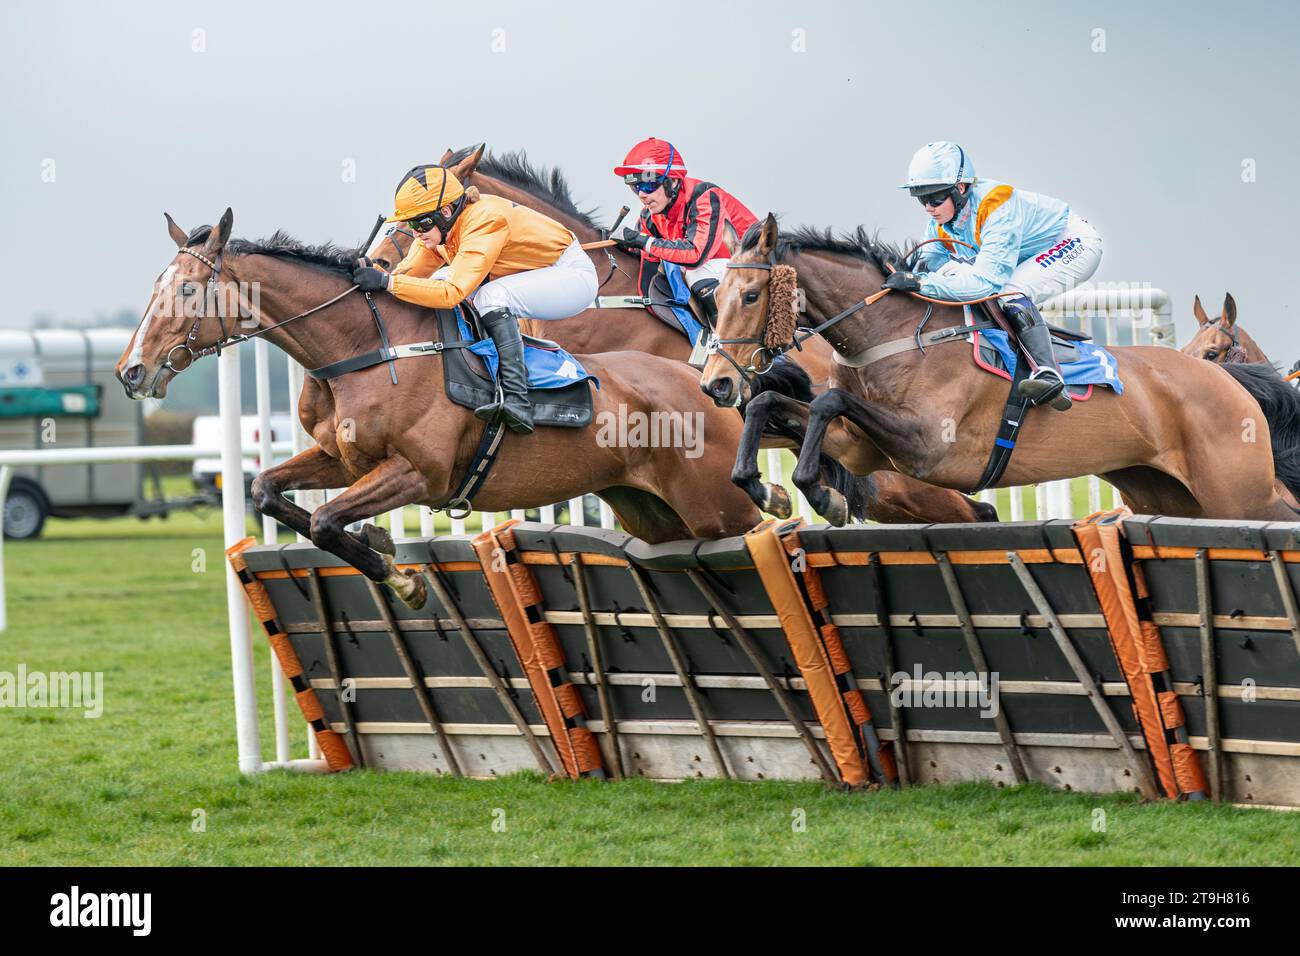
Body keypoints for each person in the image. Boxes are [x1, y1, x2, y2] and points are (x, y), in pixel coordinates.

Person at [352, 165, 598, 435]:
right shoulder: (440, 230)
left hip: (570, 276)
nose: (417, 232)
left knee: (490, 296)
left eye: (421, 222)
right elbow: (408, 277)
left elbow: (451, 294)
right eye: (411, 224)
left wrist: (388, 283)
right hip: (535, 273)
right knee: (438, 280)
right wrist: (376, 276)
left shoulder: (485, 219)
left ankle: (517, 399)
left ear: (445, 211)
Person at [884, 141, 1103, 410]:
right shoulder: (939, 223)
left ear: (960, 188)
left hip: (1074, 242)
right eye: (921, 198)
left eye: (935, 197)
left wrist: (921, 283)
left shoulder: (997, 205)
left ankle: (1048, 373)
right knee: (953, 273)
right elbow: (925, 265)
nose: (928, 207)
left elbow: (985, 284)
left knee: (1010, 292)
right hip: (1030, 252)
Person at [612, 137, 757, 329]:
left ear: (672, 182)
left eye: (647, 185)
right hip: (723, 274)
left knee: (696, 273)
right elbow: (646, 256)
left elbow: (695, 255)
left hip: (757, 267)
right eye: (635, 187)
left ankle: (732, 340)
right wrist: (625, 244)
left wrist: (644, 241)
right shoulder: (650, 216)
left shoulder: (704, 196)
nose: (641, 195)